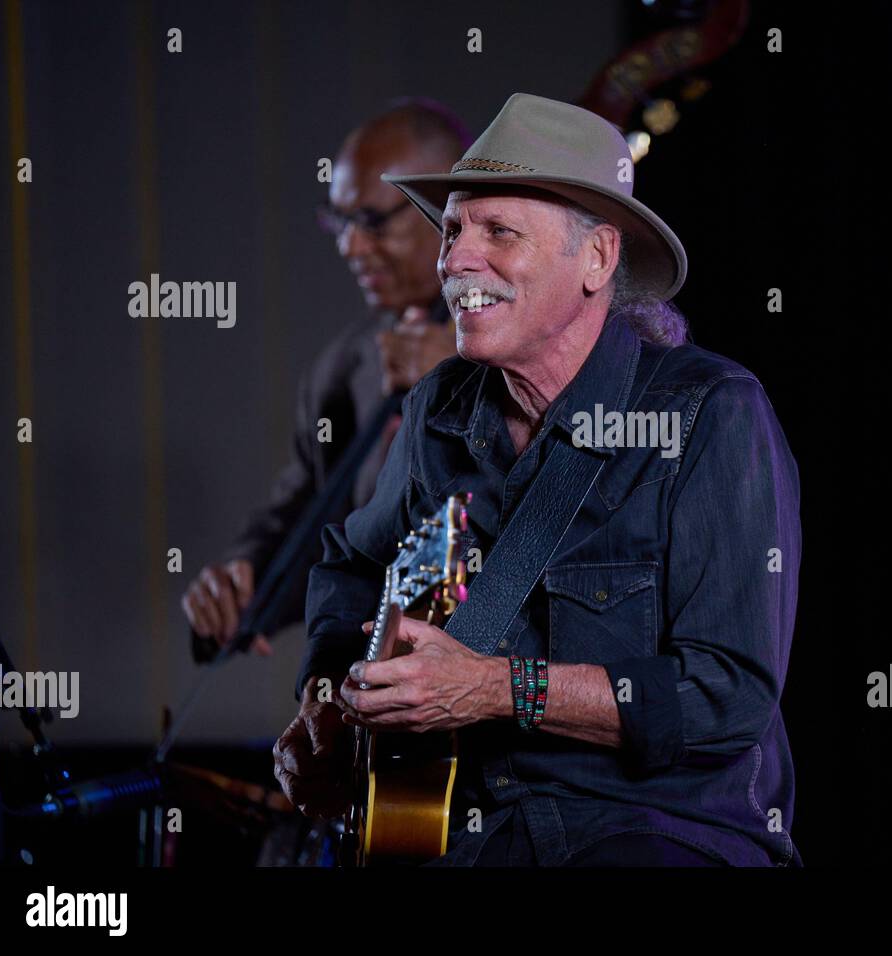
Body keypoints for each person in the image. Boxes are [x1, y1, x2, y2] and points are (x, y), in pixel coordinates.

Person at [274, 93, 801, 866]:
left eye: (498, 232)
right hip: (467, 831)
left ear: (597, 259)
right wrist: (322, 699)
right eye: (452, 230)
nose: (452, 260)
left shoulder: (711, 415)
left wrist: (495, 688)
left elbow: (725, 697)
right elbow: (352, 564)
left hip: (655, 830)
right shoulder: (438, 412)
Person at [181, 100, 464, 656]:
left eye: (373, 220)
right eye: (340, 221)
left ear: (447, 204)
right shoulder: (343, 368)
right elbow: (308, 511)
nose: (349, 246)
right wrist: (243, 580)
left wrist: (461, 373)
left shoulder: (522, 343)